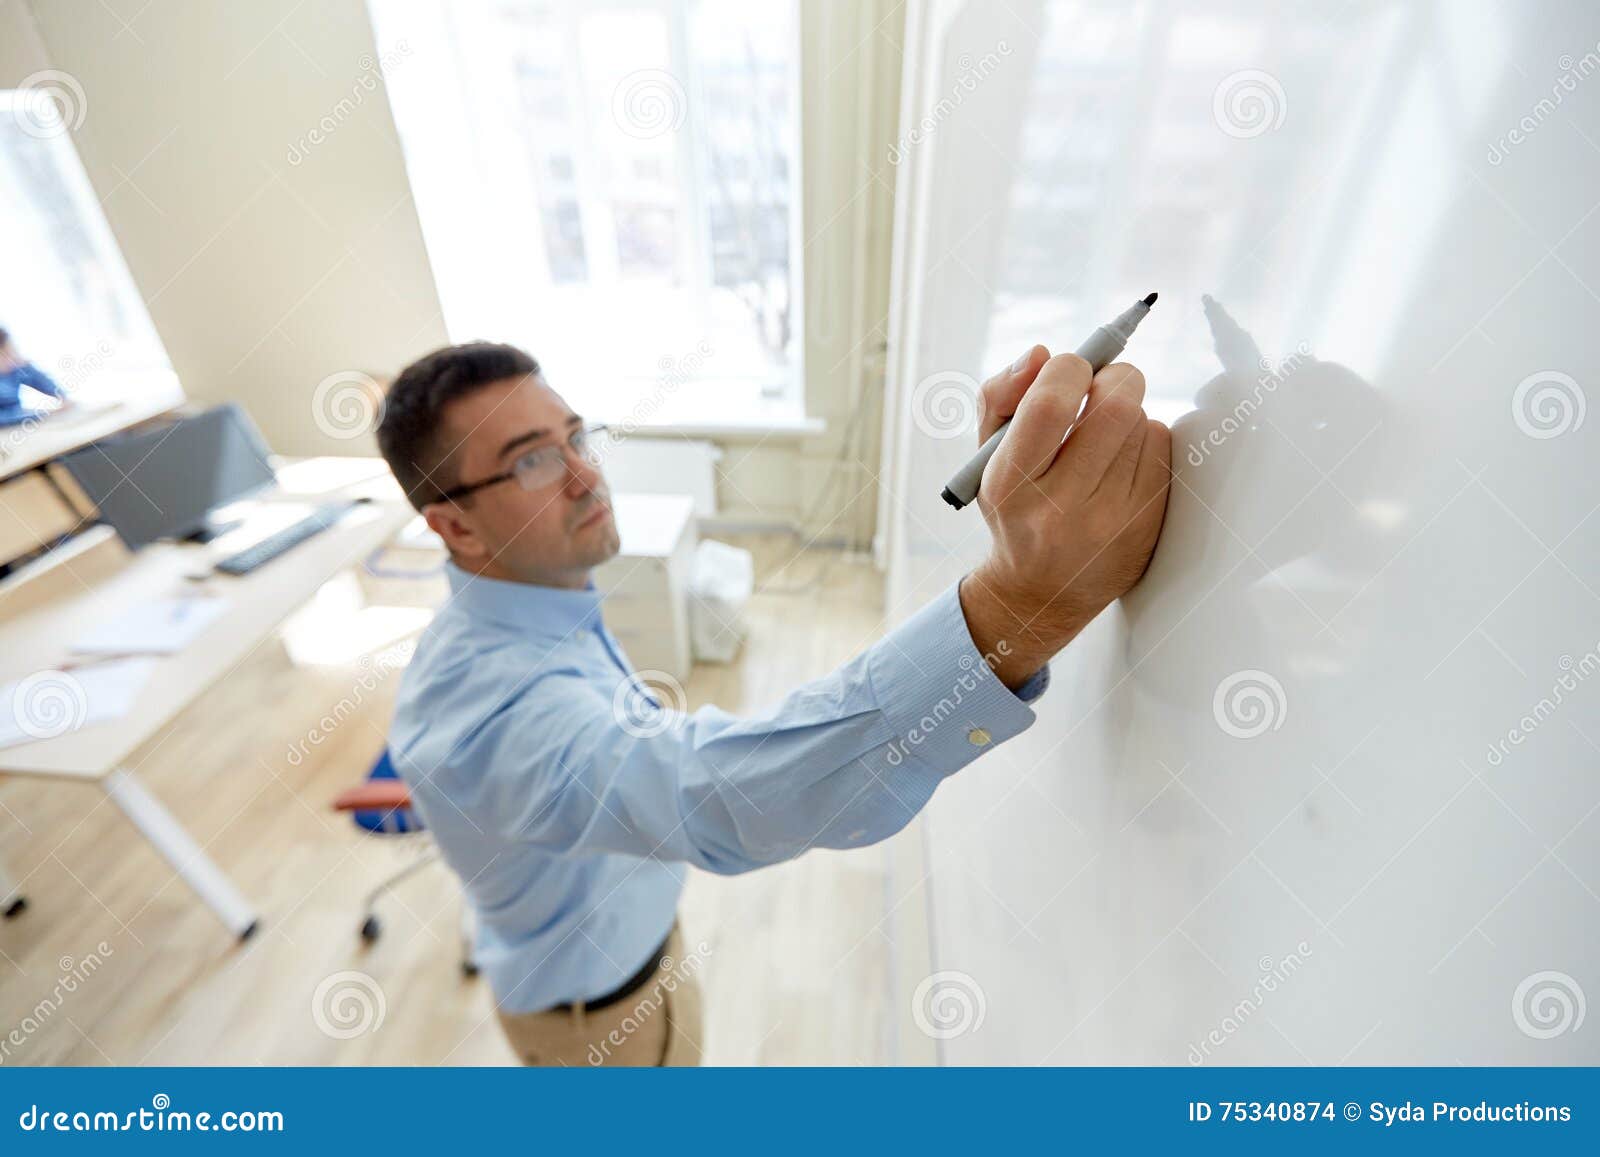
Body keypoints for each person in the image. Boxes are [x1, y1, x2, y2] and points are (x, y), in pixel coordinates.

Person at [376, 341, 1170, 1066]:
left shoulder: (526, 595)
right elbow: (717, 794)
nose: (586, 476)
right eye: (531, 464)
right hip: (597, 1017)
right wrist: (1018, 604)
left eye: (577, 437)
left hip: (628, 944)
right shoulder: (491, 717)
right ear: (454, 526)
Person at [0, 327, 72, 427]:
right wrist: (40, 414)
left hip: (22, 419)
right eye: (5, 355)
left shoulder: (16, 367)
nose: (13, 358)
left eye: (13, 351)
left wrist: (62, 397)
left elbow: (42, 381)